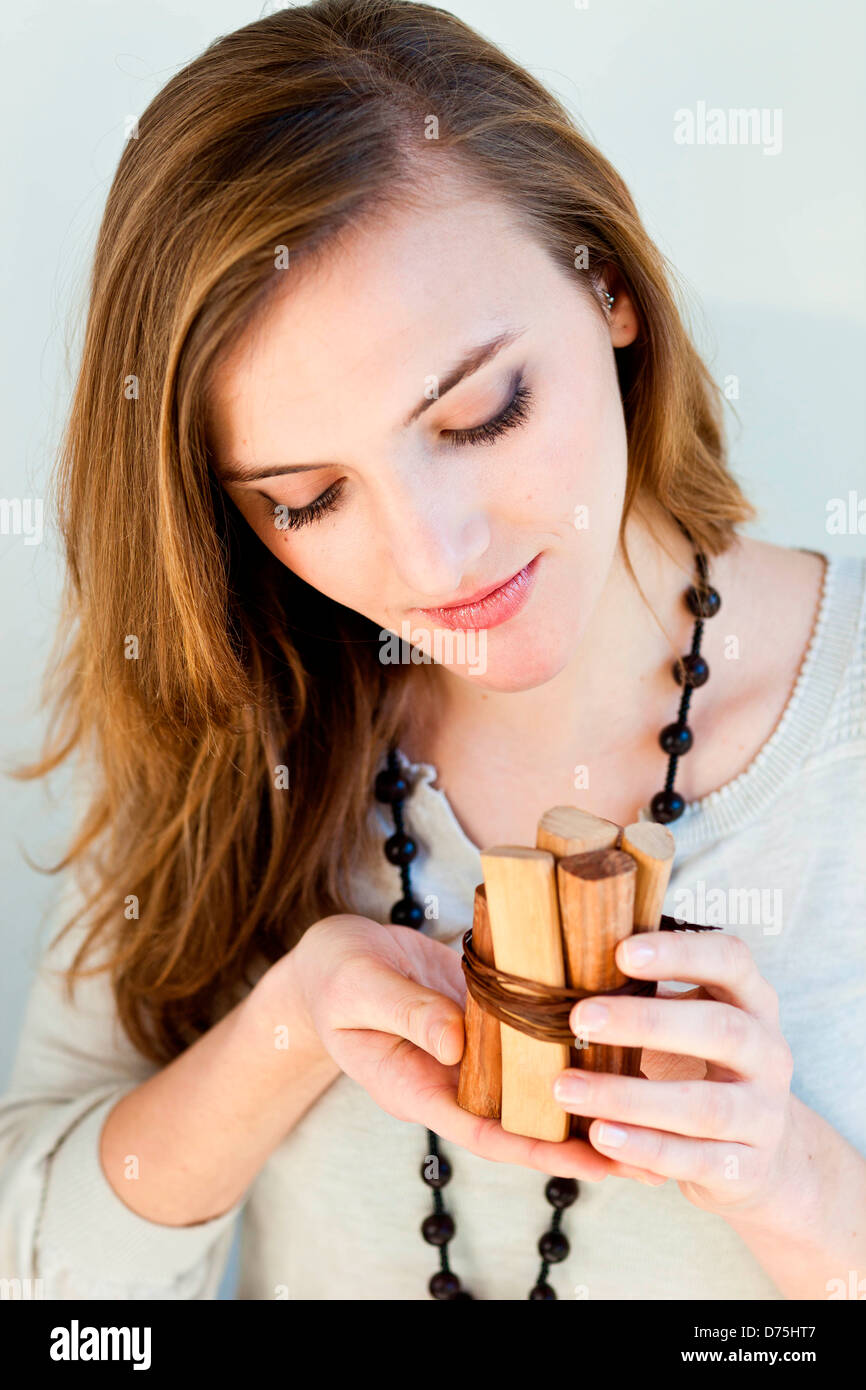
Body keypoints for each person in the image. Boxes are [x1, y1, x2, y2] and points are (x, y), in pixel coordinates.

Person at [1, 0, 863, 1301]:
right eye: (305, 498)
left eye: (478, 413)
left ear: (608, 284)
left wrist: (794, 1181)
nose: (431, 562)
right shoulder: (244, 719)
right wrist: (281, 1031)